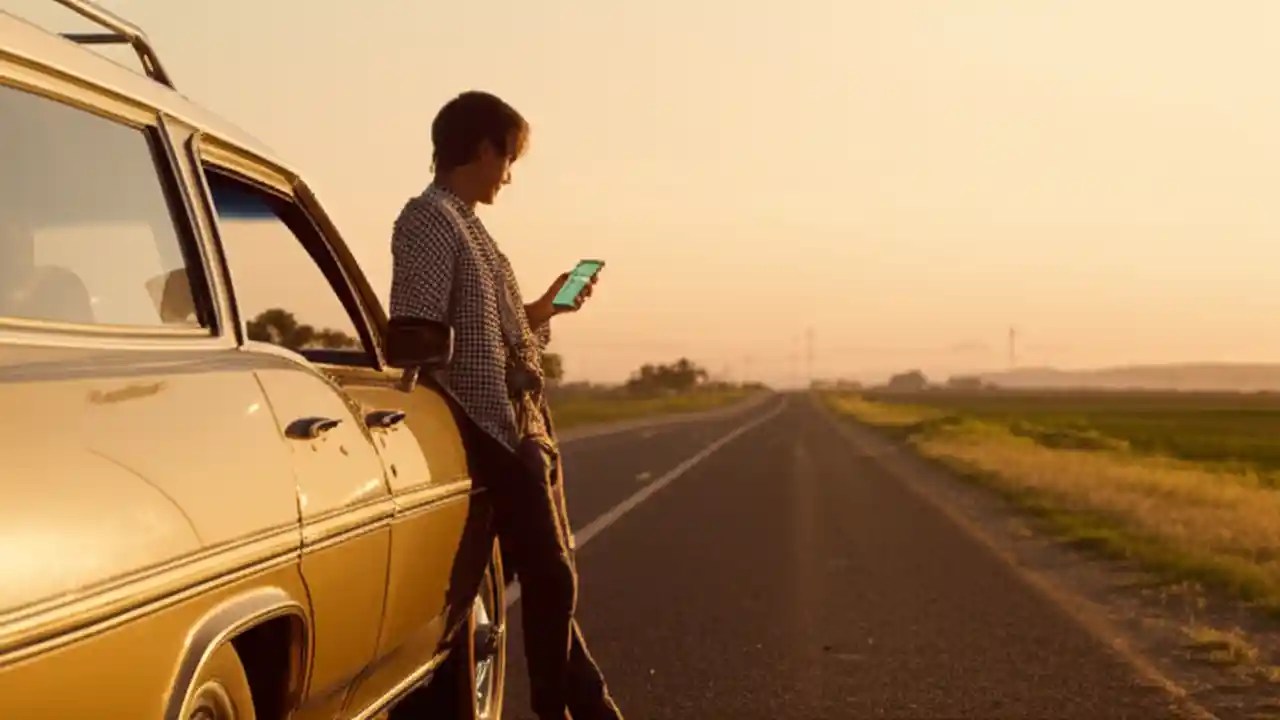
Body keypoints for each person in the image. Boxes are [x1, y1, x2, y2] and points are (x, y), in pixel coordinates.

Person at [388, 90, 624, 720]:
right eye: (508, 159)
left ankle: (594, 709)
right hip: (484, 423)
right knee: (551, 578)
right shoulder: (428, 220)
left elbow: (490, 329)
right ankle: (564, 710)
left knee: (549, 579)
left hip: (518, 424)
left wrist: (544, 310)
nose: (509, 175)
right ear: (484, 147)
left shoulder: (467, 223)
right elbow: (418, 328)